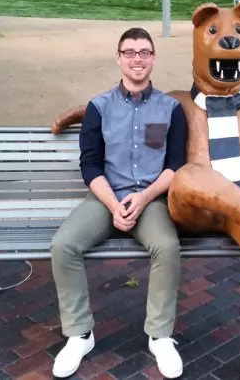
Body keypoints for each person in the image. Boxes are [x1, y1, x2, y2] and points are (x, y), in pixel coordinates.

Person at [50, 27, 188, 379]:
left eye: (144, 52)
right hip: (105, 196)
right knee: (64, 244)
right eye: (130, 52)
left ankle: (159, 335)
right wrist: (114, 206)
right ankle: (80, 334)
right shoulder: (99, 107)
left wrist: (142, 199)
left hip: (150, 197)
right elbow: (90, 164)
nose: (137, 59)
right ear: (119, 58)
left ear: (153, 58)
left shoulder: (170, 108)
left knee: (167, 246)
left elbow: (175, 166)